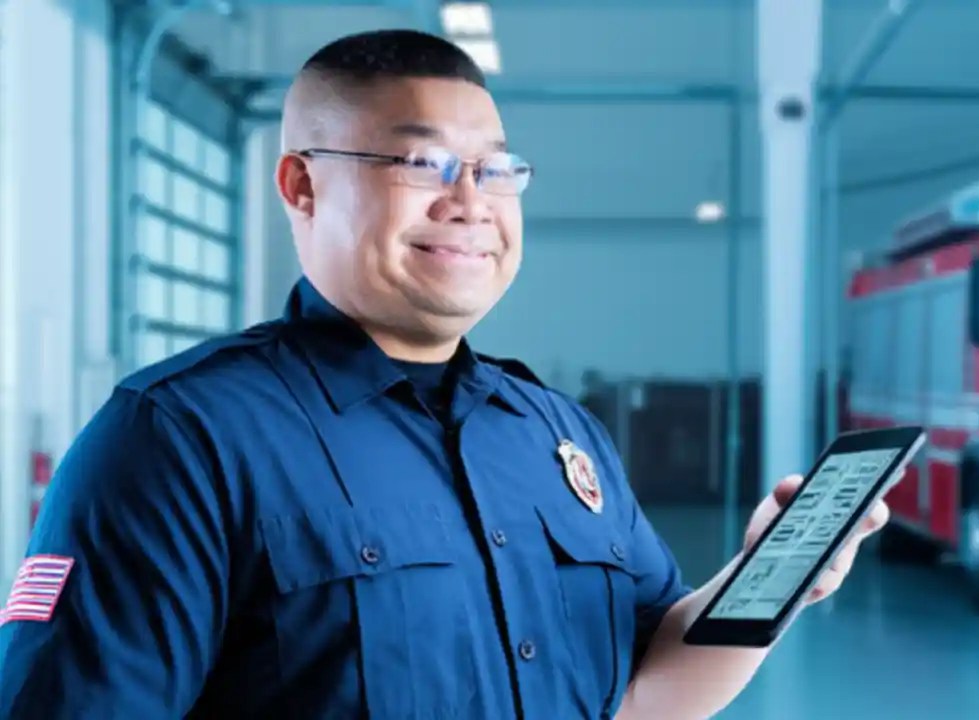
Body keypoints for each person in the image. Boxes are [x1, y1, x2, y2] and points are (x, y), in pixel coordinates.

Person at [0, 29, 890, 719]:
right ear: (302, 186)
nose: (471, 202)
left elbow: (646, 685)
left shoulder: (555, 433)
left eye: (497, 169)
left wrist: (768, 577)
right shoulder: (182, 440)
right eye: (422, 163)